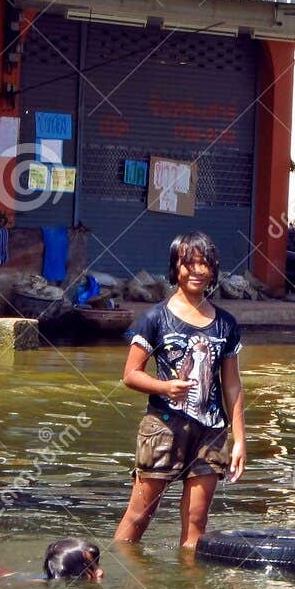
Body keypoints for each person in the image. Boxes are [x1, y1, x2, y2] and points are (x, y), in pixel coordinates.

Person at [114, 230, 247, 549]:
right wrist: (164, 386)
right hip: (163, 429)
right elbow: (131, 374)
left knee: (196, 527)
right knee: (138, 518)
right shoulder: (155, 318)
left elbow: (232, 383)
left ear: (214, 270)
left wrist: (239, 439)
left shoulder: (225, 324)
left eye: (205, 264)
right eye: (189, 264)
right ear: (175, 267)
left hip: (210, 432)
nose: (198, 271)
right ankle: (121, 583)